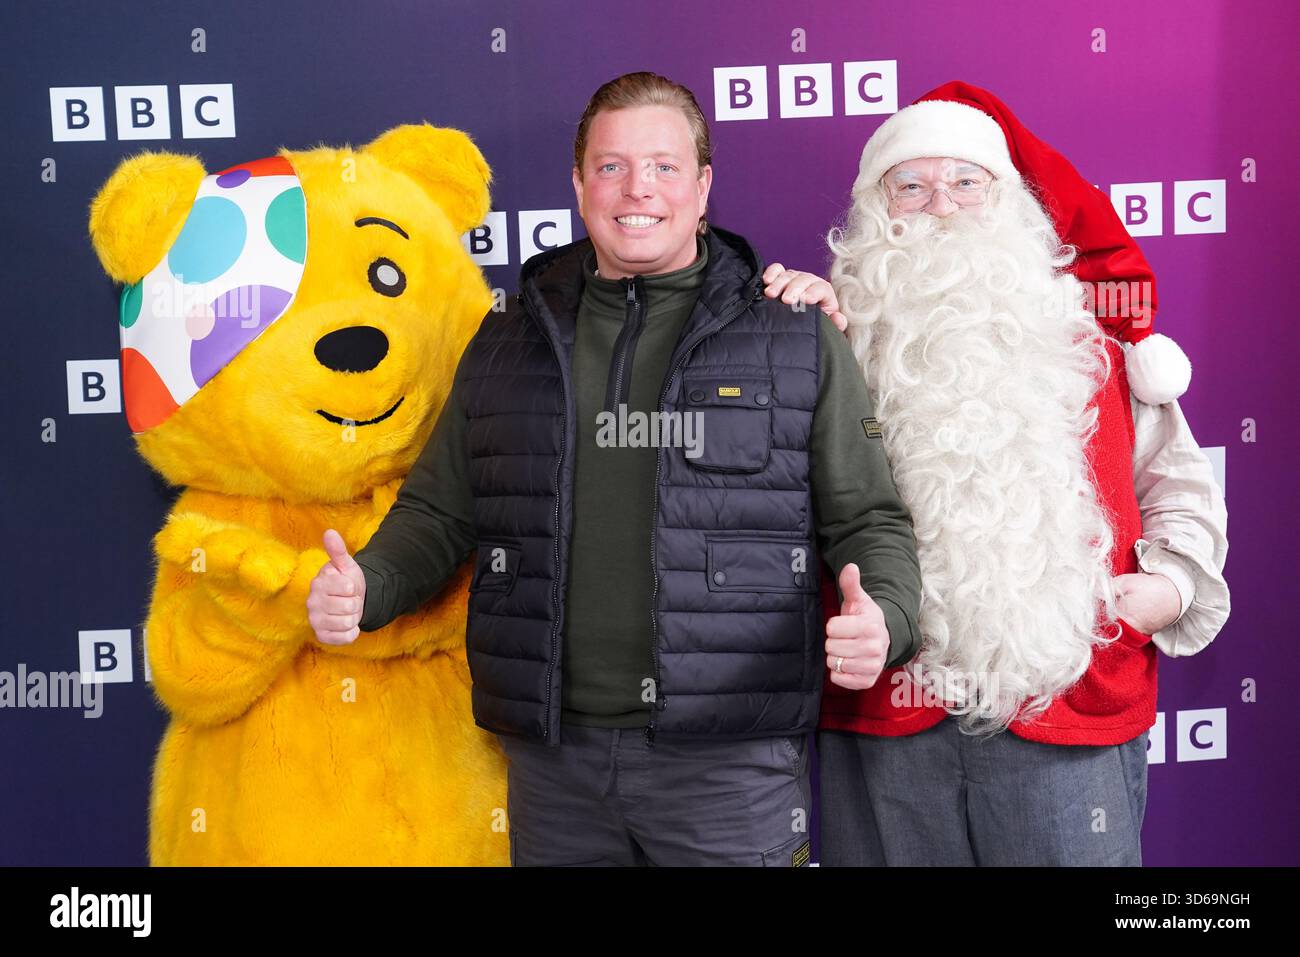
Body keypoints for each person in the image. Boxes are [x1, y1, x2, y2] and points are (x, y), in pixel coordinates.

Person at [305, 71, 922, 866]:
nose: (639, 189)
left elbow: (868, 519)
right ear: (578, 184)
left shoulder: (795, 335)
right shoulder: (508, 339)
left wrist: (887, 619)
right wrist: (370, 584)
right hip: (555, 767)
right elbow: (440, 510)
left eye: (664, 166)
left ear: (703, 186)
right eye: (612, 166)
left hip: (729, 768)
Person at [772, 81, 1230, 866]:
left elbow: (1179, 484)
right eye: (910, 187)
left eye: (966, 182)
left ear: (1010, 203)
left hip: (1066, 706)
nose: (942, 206)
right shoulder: (830, 339)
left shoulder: (1090, 342)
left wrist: (1174, 585)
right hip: (888, 715)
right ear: (876, 212)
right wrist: (794, 339)